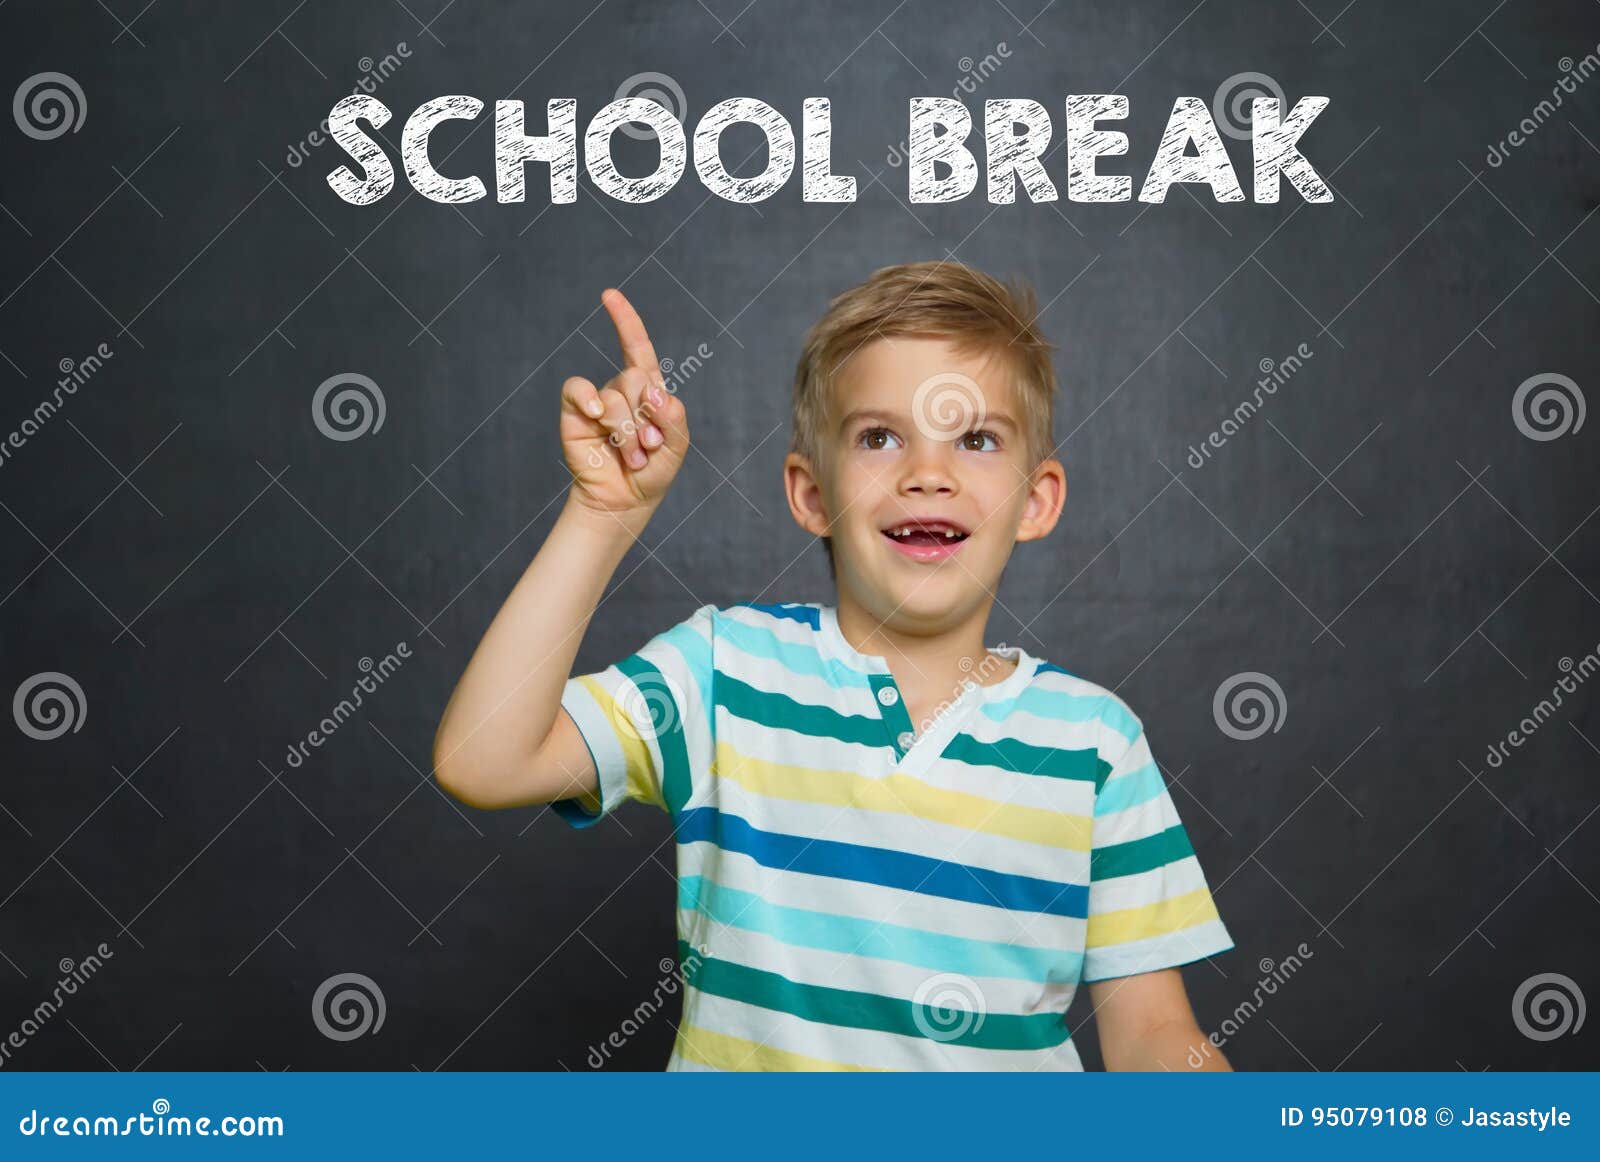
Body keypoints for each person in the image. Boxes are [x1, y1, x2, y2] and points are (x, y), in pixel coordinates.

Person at [432, 261, 1235, 1071]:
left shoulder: (1096, 743)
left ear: (1036, 501)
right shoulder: (722, 673)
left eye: (978, 439)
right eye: (880, 437)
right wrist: (604, 513)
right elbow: (483, 761)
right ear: (811, 493)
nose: (929, 472)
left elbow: (1154, 1036)